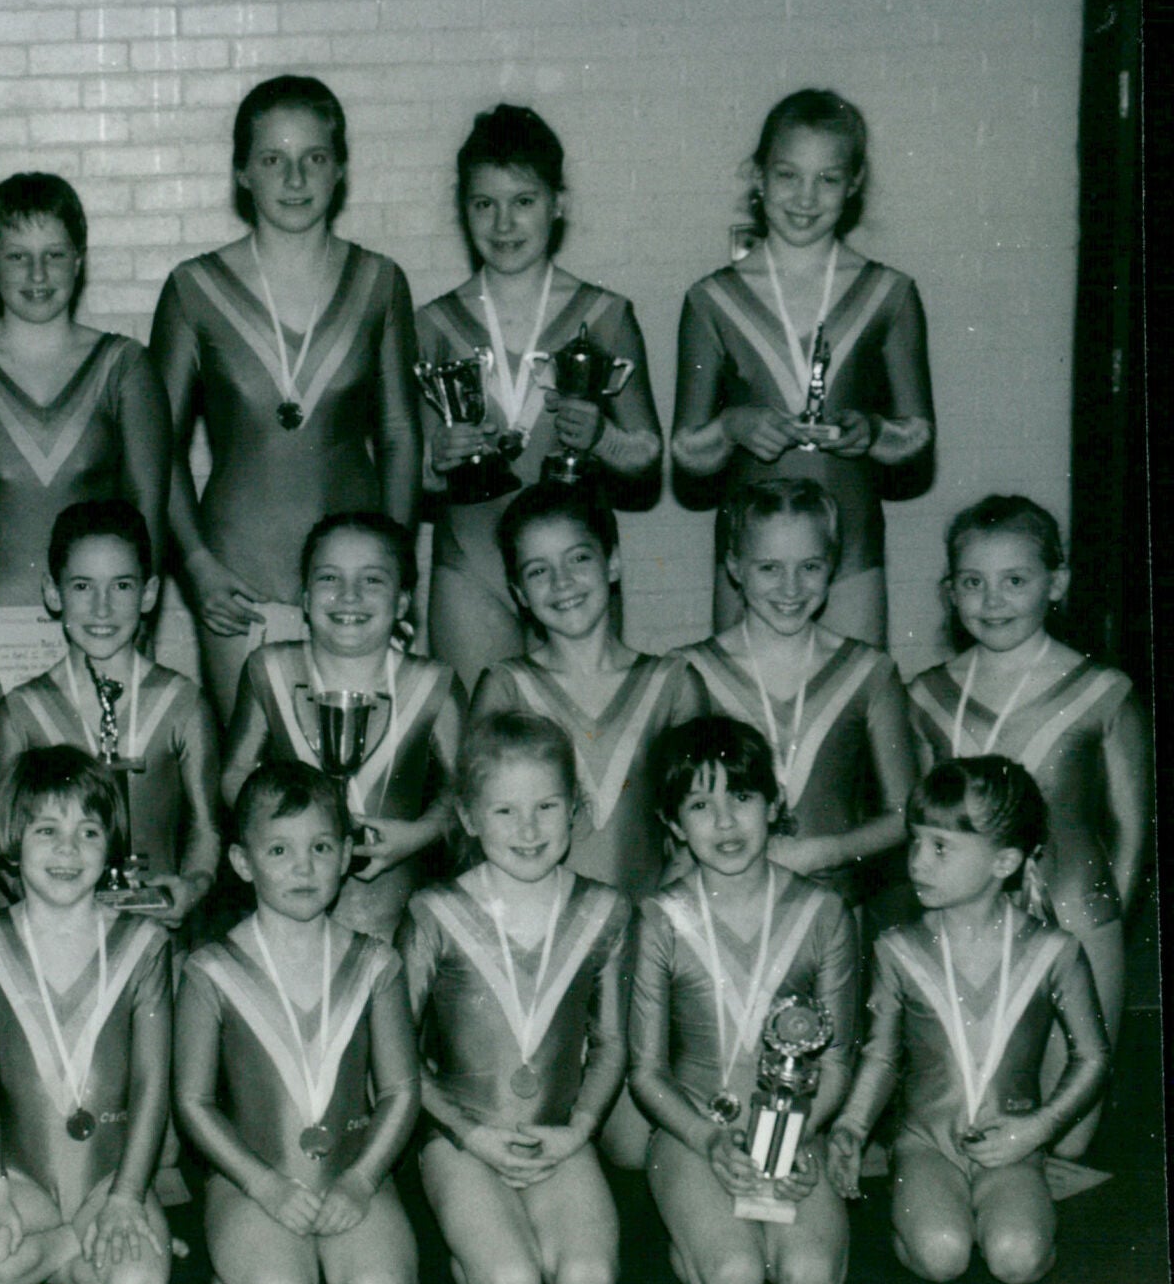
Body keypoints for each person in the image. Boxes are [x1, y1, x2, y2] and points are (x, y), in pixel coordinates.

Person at [152, 74, 421, 716]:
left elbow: (401, 435)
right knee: (256, 781)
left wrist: (395, 571)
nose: (295, 179)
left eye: (315, 159)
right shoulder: (195, 288)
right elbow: (155, 446)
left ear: (340, 171)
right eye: (273, 159)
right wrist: (196, 565)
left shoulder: (379, 282)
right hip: (237, 575)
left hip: (355, 578)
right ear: (242, 172)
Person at [907, 495, 1148, 1158]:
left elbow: (1131, 833)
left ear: (1057, 584)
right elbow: (921, 829)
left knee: (1065, 1144)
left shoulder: (1105, 691)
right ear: (948, 591)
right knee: (971, 1127)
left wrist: (1105, 927)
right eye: (973, 582)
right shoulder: (925, 695)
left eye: (1016, 580)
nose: (993, 600)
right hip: (966, 925)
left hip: (1077, 914)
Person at [472, 483, 700, 1167]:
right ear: (517, 592)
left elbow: (695, 838)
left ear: (613, 565)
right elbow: (480, 845)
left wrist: (657, 950)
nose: (562, 583)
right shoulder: (505, 685)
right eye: (537, 570)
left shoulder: (674, 682)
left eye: (577, 560)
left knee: (634, 1151)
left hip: (639, 966)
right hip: (537, 967)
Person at [828, 758, 1108, 1284]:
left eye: (940, 848)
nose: (917, 862)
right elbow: (883, 1053)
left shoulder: (1054, 951)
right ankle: (917, 1210)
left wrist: (1039, 1129)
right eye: (915, 842)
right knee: (942, 1255)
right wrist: (853, 1126)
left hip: (1014, 1143)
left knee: (1016, 1260)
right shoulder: (898, 948)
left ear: (1004, 860)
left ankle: (1019, 1206)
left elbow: (1092, 1057)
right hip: (926, 1142)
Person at [670, 88, 934, 646]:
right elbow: (688, 452)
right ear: (758, 177)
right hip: (749, 557)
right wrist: (732, 426)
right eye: (789, 175)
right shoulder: (711, 300)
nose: (806, 198)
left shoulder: (890, 294)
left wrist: (874, 431)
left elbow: (917, 436)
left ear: (854, 184)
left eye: (828, 179)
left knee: (850, 716)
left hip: (852, 549)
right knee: (741, 719)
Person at [414, 104, 662, 687]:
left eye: (522, 201)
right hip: (469, 567)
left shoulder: (605, 315)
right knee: (478, 741)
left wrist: (600, 437)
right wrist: (438, 457)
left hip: (572, 565)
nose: (503, 224)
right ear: (463, 210)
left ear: (558, 204)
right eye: (484, 204)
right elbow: (413, 474)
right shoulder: (433, 323)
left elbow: (648, 455)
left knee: (585, 734)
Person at [176, 762, 421, 1284]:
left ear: (345, 856)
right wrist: (261, 1185)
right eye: (279, 851)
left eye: (321, 847)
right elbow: (192, 1101)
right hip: (251, 1178)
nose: (303, 867)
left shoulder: (377, 963)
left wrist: (361, 1180)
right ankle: (242, 1274)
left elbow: (400, 1090)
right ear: (242, 862)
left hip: (352, 1172)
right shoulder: (211, 969)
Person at [0, 173, 170, 711]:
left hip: (98, 632)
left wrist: (131, 640)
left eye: (54, 255)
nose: (36, 274)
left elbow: (149, 515)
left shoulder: (124, 366)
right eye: (17, 256)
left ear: (80, 259)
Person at [0, 747, 174, 1284]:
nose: (68, 849)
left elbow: (152, 1081)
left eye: (88, 831)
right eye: (47, 829)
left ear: (109, 845)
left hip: (109, 1178)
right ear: (13, 840)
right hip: (20, 1179)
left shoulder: (144, 943)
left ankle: (58, 1249)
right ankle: (70, 1248)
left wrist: (125, 1197)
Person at [402, 713, 630, 1284]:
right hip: (461, 1137)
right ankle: (474, 1252)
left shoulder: (605, 910)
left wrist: (578, 1131)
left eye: (547, 807)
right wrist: (469, 1134)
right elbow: (395, 1051)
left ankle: (509, 1235)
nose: (528, 829)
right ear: (470, 818)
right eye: (504, 812)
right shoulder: (435, 913)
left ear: (575, 807)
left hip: (558, 1135)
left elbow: (610, 1044)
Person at [630, 718, 856, 1284]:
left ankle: (780, 1235)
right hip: (692, 1129)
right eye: (700, 805)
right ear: (673, 823)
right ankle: (699, 1237)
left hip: (794, 1126)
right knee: (735, 1281)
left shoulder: (824, 911)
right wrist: (707, 1140)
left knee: (807, 1283)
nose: (725, 822)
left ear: (775, 804)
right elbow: (646, 1072)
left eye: (743, 796)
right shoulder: (659, 918)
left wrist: (801, 1137)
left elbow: (836, 1062)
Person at [222, 513, 462, 942]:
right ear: (306, 597)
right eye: (330, 579)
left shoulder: (435, 683)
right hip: (287, 907)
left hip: (394, 918)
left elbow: (465, 790)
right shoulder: (268, 669)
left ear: (403, 601)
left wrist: (418, 834)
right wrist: (281, 829)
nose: (349, 596)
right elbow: (234, 775)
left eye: (372, 581)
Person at [676, 479, 913, 913]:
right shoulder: (689, 672)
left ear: (833, 565)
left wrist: (825, 853)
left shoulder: (870, 672)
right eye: (769, 568)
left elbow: (906, 815)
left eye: (810, 567)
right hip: (718, 913)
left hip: (833, 914)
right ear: (734, 566)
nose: (791, 589)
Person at [0, 499, 221, 933]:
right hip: (53, 938)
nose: (101, 608)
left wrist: (191, 885)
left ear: (149, 593)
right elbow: (2, 848)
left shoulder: (184, 703)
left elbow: (207, 829)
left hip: (155, 940)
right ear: (52, 592)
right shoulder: (20, 713)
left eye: (121, 586)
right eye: (82, 586)